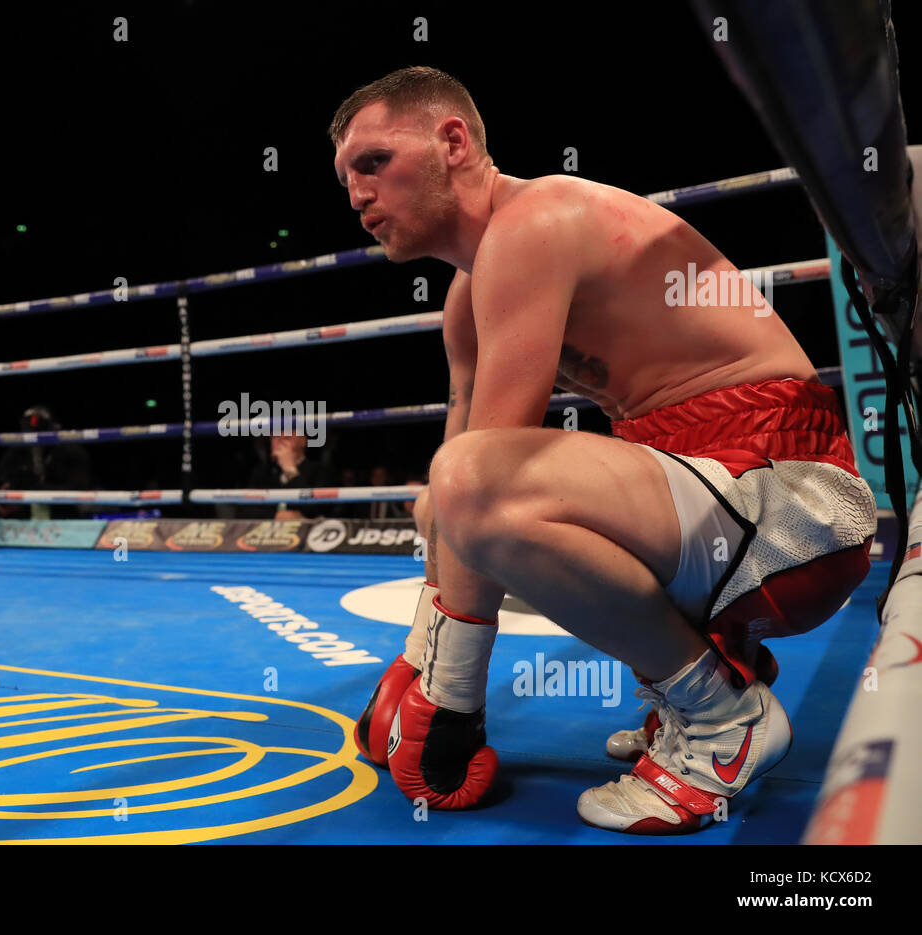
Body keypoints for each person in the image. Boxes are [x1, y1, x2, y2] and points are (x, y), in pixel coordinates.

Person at [333, 67, 875, 833]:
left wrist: (449, 693)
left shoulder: (538, 219)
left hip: (792, 502)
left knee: (474, 481)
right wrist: (418, 657)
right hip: (714, 503)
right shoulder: (467, 301)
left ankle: (724, 720)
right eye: (347, 177)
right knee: (443, 493)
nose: (356, 194)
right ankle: (698, 693)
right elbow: (454, 503)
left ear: (453, 141)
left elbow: (481, 479)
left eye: (373, 162)